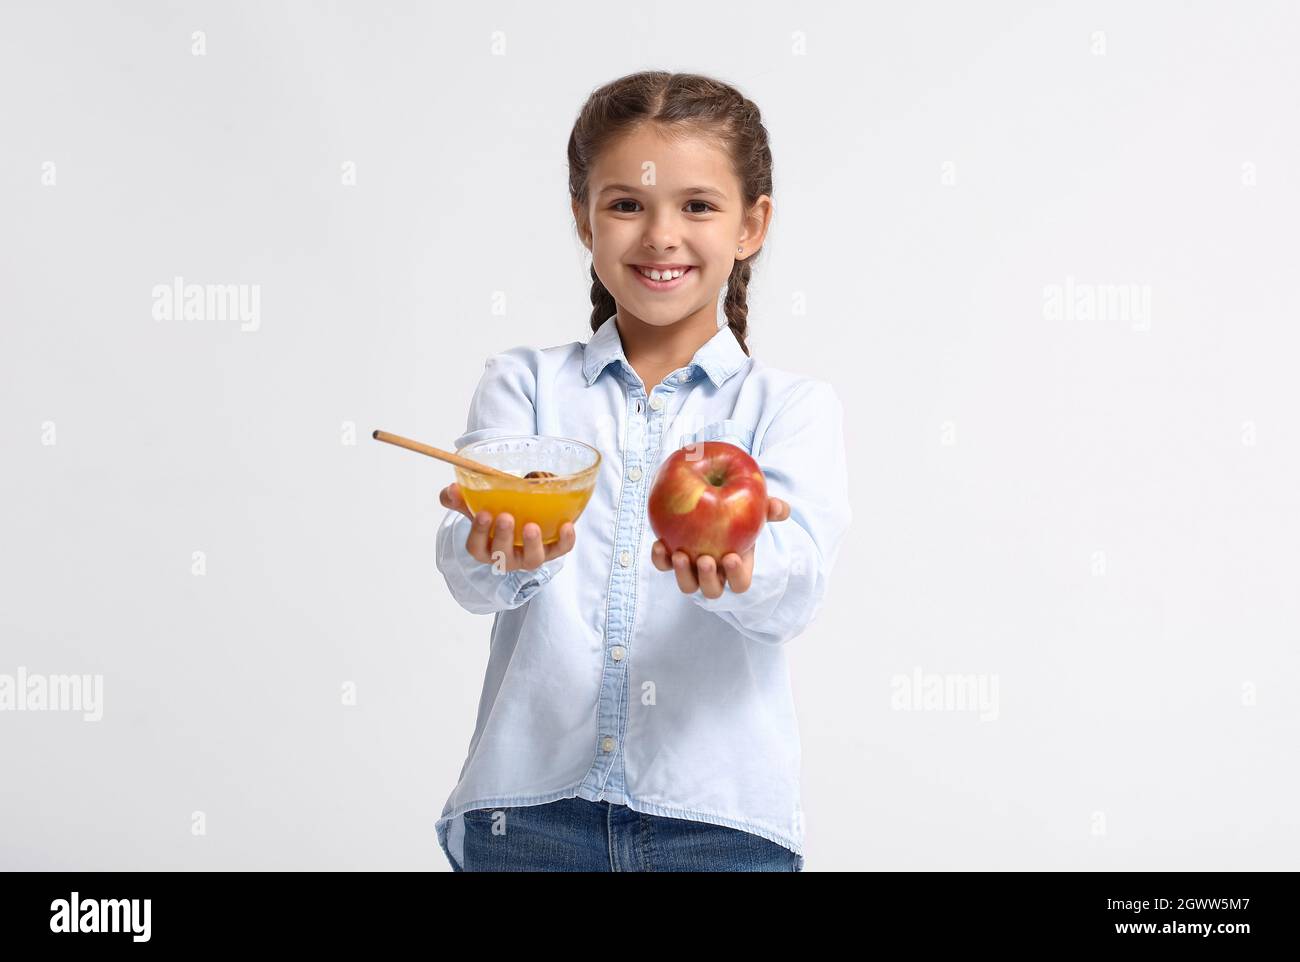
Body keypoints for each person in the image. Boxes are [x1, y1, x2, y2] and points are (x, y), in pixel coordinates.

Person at [433, 70, 851, 871]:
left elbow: (797, 591)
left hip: (718, 823)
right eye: (626, 204)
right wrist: (495, 548)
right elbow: (464, 568)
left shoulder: (790, 408)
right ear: (584, 222)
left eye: (698, 205)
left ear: (751, 224)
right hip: (526, 819)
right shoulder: (525, 386)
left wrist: (742, 568)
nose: (660, 235)